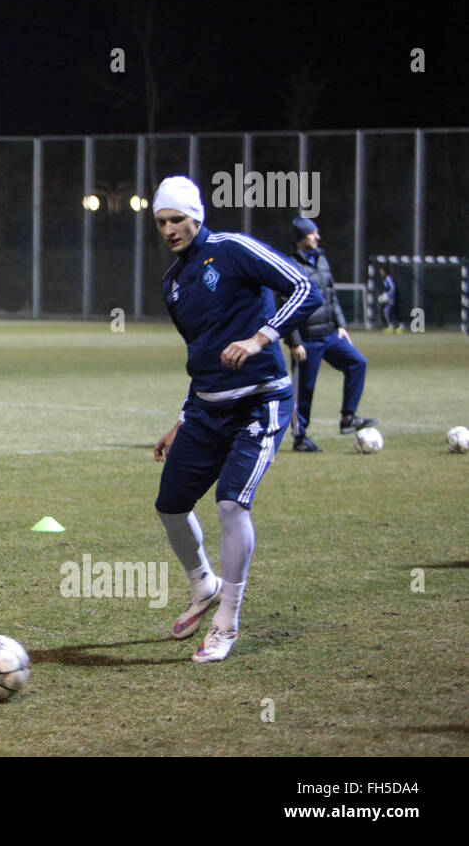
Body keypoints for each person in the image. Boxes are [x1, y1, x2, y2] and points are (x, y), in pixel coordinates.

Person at [151, 177, 322, 663]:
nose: (169, 229)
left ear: (197, 217)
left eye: (177, 219)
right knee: (170, 505)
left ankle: (227, 620)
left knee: (231, 505)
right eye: (161, 222)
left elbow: (305, 288)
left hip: (259, 401)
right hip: (206, 409)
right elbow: (200, 353)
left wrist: (261, 338)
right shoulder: (172, 283)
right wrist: (183, 418)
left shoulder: (233, 249)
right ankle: (203, 584)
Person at [281, 217, 376, 453]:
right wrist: (294, 342)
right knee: (304, 390)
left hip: (330, 334)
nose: (318, 237)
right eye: (313, 233)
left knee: (357, 363)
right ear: (301, 238)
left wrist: (341, 325)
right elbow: (284, 305)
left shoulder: (321, 259)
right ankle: (300, 438)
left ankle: (347, 417)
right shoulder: (289, 265)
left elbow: (331, 295)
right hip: (306, 340)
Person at [378, 264, 401, 333]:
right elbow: (387, 288)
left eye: (382, 271)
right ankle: (392, 327)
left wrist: (387, 296)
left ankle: (400, 327)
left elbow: (393, 288)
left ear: (385, 271)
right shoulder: (385, 279)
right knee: (388, 311)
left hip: (394, 298)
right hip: (391, 298)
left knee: (393, 312)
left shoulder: (389, 278)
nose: (381, 272)